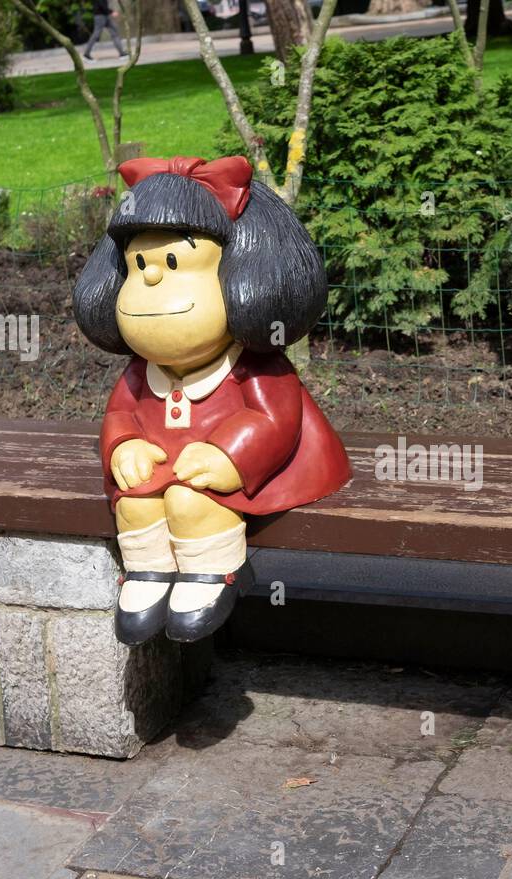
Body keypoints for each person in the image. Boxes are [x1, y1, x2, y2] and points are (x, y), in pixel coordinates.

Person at [72, 156, 351, 645]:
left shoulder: (253, 366)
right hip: (166, 464)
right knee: (136, 504)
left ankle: (212, 574)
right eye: (140, 266)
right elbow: (120, 413)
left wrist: (230, 454)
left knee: (190, 501)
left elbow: (274, 420)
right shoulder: (143, 372)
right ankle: (148, 573)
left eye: (174, 263)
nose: (152, 281)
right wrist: (123, 446)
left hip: (239, 472)